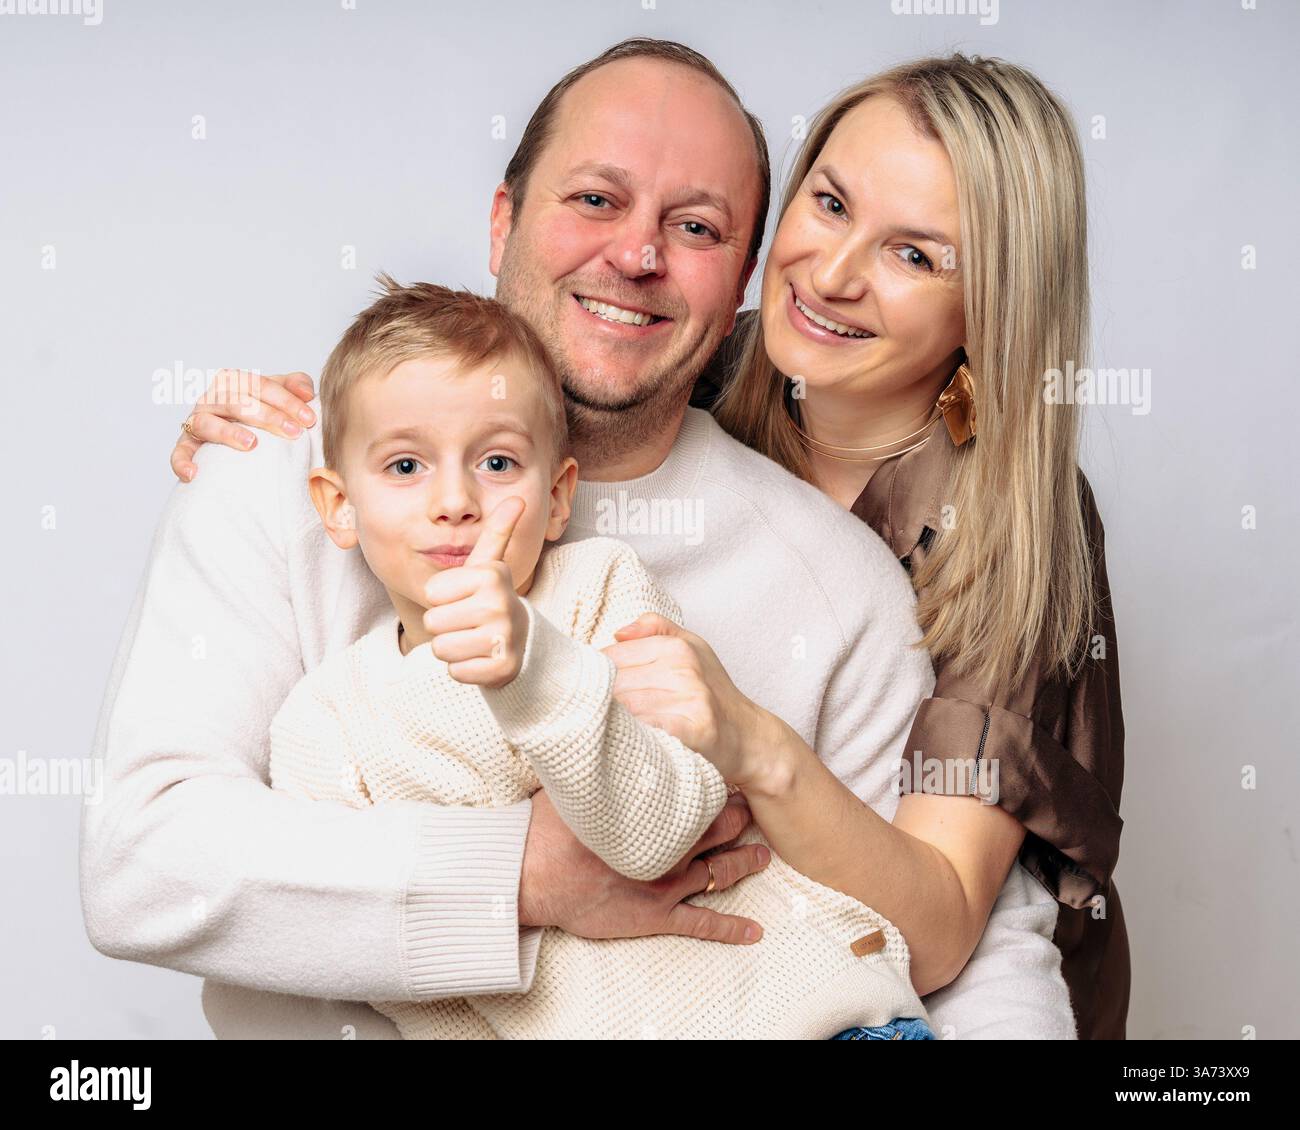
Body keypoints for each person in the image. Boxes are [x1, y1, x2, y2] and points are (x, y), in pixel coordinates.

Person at [86, 38, 1074, 1040]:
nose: (637, 256)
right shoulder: (275, 480)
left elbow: (960, 951)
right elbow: (143, 866)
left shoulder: (856, 578)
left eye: (695, 226)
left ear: (740, 276)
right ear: (503, 218)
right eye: (595, 199)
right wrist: (523, 877)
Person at [271, 276, 934, 1039]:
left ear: (559, 497)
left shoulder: (601, 589)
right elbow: (368, 947)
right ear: (338, 506)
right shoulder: (324, 724)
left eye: (496, 463)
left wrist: (532, 673)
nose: (454, 502)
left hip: (816, 1019)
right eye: (405, 467)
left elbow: (662, 831)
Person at [695, 54, 1129, 1039]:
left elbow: (936, 932)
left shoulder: (1017, 523)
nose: (831, 275)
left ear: (994, 310)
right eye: (830, 203)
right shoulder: (698, 371)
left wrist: (758, 751)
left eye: (915, 256)